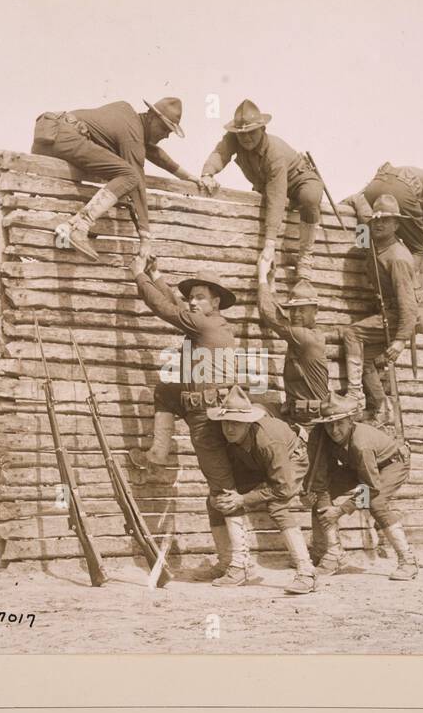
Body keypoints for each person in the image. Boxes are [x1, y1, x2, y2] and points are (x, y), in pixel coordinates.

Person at [128, 254, 240, 527]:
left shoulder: (204, 325)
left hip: (207, 415)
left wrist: (139, 275)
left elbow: (165, 309)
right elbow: (178, 304)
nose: (193, 301)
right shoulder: (212, 321)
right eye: (192, 297)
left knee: (220, 485)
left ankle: (238, 561)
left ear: (215, 302)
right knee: (166, 391)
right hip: (202, 404)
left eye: (200, 297)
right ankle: (158, 453)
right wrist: (156, 276)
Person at [30, 97, 197, 261]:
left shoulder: (129, 118)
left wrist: (189, 177)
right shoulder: (132, 132)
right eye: (164, 129)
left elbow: (154, 153)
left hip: (50, 134)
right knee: (129, 175)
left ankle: (61, 233)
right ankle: (79, 226)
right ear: (152, 117)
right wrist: (145, 236)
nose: (166, 136)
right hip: (66, 137)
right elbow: (137, 182)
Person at [198, 99, 324, 275]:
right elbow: (220, 153)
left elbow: (277, 196)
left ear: (262, 129)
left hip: (298, 181)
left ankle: (305, 256)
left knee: (309, 198)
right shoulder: (235, 138)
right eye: (242, 134)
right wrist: (207, 174)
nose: (247, 138)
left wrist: (270, 243)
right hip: (269, 186)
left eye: (252, 132)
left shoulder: (274, 153)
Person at [204, 387, 313, 590]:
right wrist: (232, 496)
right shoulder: (230, 438)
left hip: (291, 458)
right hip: (258, 463)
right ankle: (232, 565)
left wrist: (243, 499)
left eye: (236, 423)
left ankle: (307, 572)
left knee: (277, 506)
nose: (229, 429)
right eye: (226, 422)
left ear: (248, 423)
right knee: (219, 499)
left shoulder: (268, 441)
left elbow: (283, 489)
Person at [303, 394, 419, 582]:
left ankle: (408, 560)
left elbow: (370, 488)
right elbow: (318, 473)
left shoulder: (361, 444)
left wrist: (341, 510)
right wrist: (307, 491)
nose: (334, 430)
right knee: (320, 493)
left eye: (340, 423)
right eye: (329, 424)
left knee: (376, 503)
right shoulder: (319, 434)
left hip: (390, 464)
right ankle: (332, 553)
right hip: (356, 466)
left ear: (350, 420)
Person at [339, 194, 419, 425]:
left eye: (386, 220)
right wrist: (353, 200)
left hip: (399, 315)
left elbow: (408, 302)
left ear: (396, 225)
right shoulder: (372, 238)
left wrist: (401, 340)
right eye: (377, 220)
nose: (379, 223)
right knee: (367, 360)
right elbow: (363, 209)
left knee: (351, 333)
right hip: (387, 312)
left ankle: (355, 394)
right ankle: (382, 407)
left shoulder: (397, 258)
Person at [255, 253, 329, 426]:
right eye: (293, 310)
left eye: (302, 310)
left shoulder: (307, 338)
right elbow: (280, 317)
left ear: (315, 311)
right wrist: (271, 282)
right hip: (295, 415)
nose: (296, 315)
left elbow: (270, 316)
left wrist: (261, 275)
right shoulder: (300, 333)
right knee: (255, 409)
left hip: (311, 421)